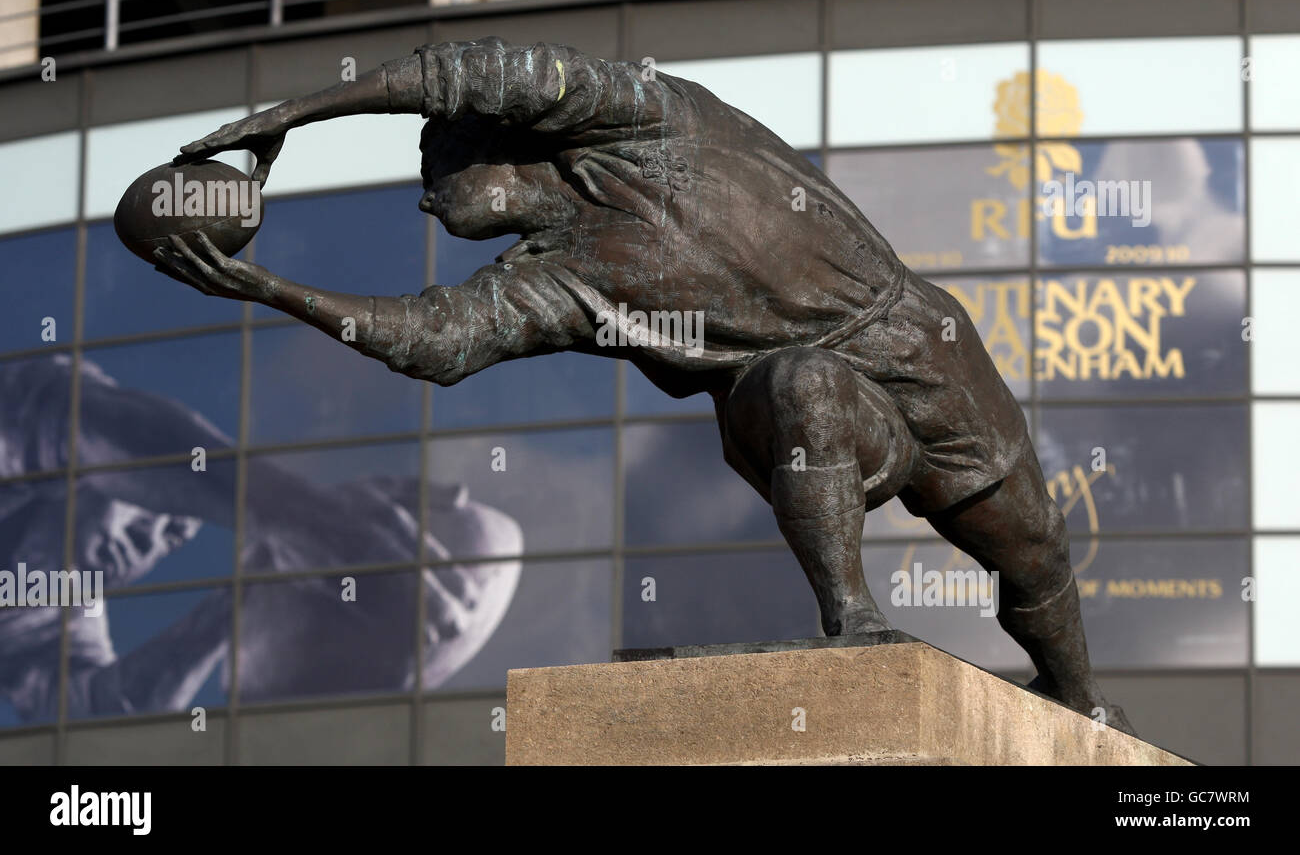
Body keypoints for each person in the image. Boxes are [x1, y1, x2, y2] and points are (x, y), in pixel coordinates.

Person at [164, 37, 1133, 732]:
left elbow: (464, 71)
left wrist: (289, 114)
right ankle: (854, 620)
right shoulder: (559, 277)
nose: (425, 196)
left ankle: (1076, 689)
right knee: (803, 388)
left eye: (434, 170)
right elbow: (440, 339)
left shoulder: (639, 121)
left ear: (488, 152)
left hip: (915, 336)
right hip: (802, 389)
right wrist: (260, 284)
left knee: (1033, 551)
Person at [0, 355, 521, 723]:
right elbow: (68, 422)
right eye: (158, 508)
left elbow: (94, 721)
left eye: (169, 537)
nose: (157, 535)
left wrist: (242, 594)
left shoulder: (36, 608)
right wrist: (292, 513)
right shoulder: (39, 421)